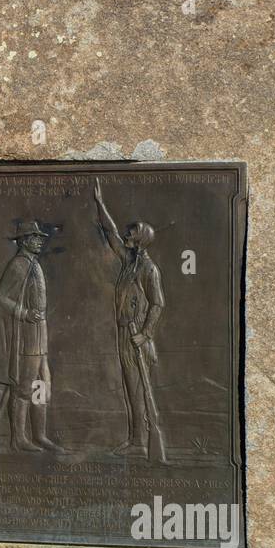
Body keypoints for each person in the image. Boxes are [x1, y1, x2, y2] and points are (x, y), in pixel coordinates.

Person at [92, 179, 165, 460]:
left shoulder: (148, 269)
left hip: (136, 335)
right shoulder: (128, 262)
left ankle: (146, 439)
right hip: (125, 332)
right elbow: (110, 234)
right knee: (130, 387)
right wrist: (100, 204)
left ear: (140, 239)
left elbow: (158, 303)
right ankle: (136, 439)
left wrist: (145, 334)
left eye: (130, 234)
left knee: (139, 387)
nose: (125, 235)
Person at [0, 219, 65, 453]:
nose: (39, 241)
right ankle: (18, 438)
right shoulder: (18, 265)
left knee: (41, 383)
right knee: (23, 387)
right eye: (34, 237)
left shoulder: (34, 264)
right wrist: (25, 313)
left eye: (40, 237)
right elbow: (0, 300)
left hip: (40, 335)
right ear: (23, 241)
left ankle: (39, 435)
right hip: (26, 336)